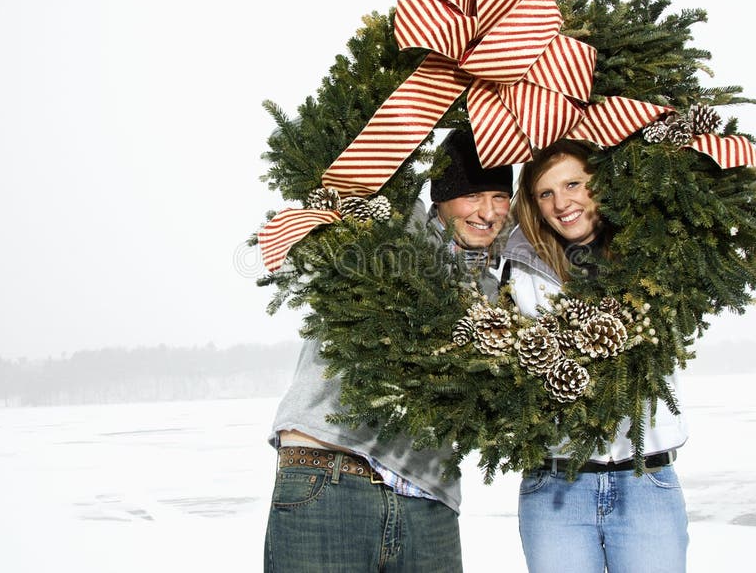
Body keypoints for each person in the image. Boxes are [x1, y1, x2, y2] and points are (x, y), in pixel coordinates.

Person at [263, 129, 513, 573]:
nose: (488, 212)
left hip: (429, 498)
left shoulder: (493, 293)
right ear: (441, 198)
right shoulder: (395, 230)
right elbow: (360, 159)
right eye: (472, 195)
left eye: (499, 196)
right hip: (331, 471)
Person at [501, 139, 689, 573]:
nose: (561, 203)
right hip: (556, 484)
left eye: (573, 185)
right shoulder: (517, 263)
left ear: (599, 185)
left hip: (645, 477)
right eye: (545, 193)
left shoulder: (650, 250)